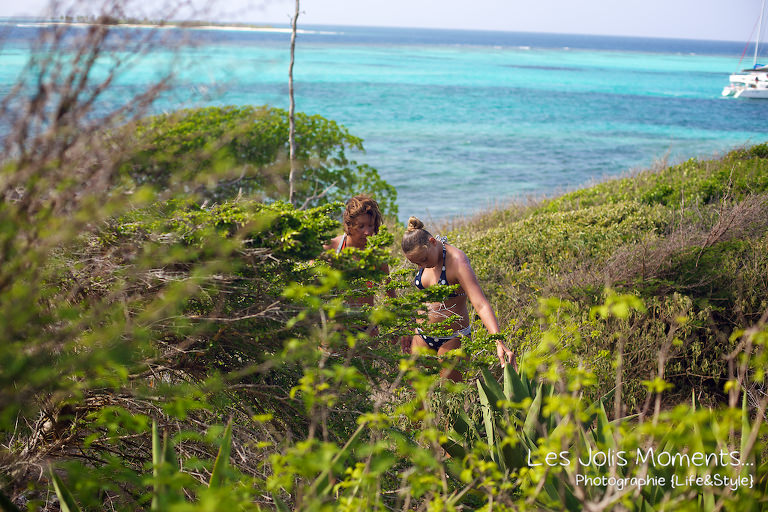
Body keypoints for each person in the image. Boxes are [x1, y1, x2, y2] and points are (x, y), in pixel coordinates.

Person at [401, 216, 515, 381]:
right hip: (421, 336)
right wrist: (408, 327)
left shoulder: (457, 261)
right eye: (416, 264)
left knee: (450, 392)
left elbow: (480, 304)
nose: (422, 266)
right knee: (417, 391)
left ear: (432, 242)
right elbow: (422, 299)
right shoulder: (425, 258)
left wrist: (499, 341)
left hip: (452, 339)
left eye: (424, 260)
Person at [323, 195, 392, 328]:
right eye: (361, 226)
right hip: (336, 326)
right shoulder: (332, 247)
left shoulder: (376, 252)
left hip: (367, 327)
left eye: (370, 226)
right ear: (349, 225)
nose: (367, 232)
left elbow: (389, 292)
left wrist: (394, 324)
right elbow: (311, 287)